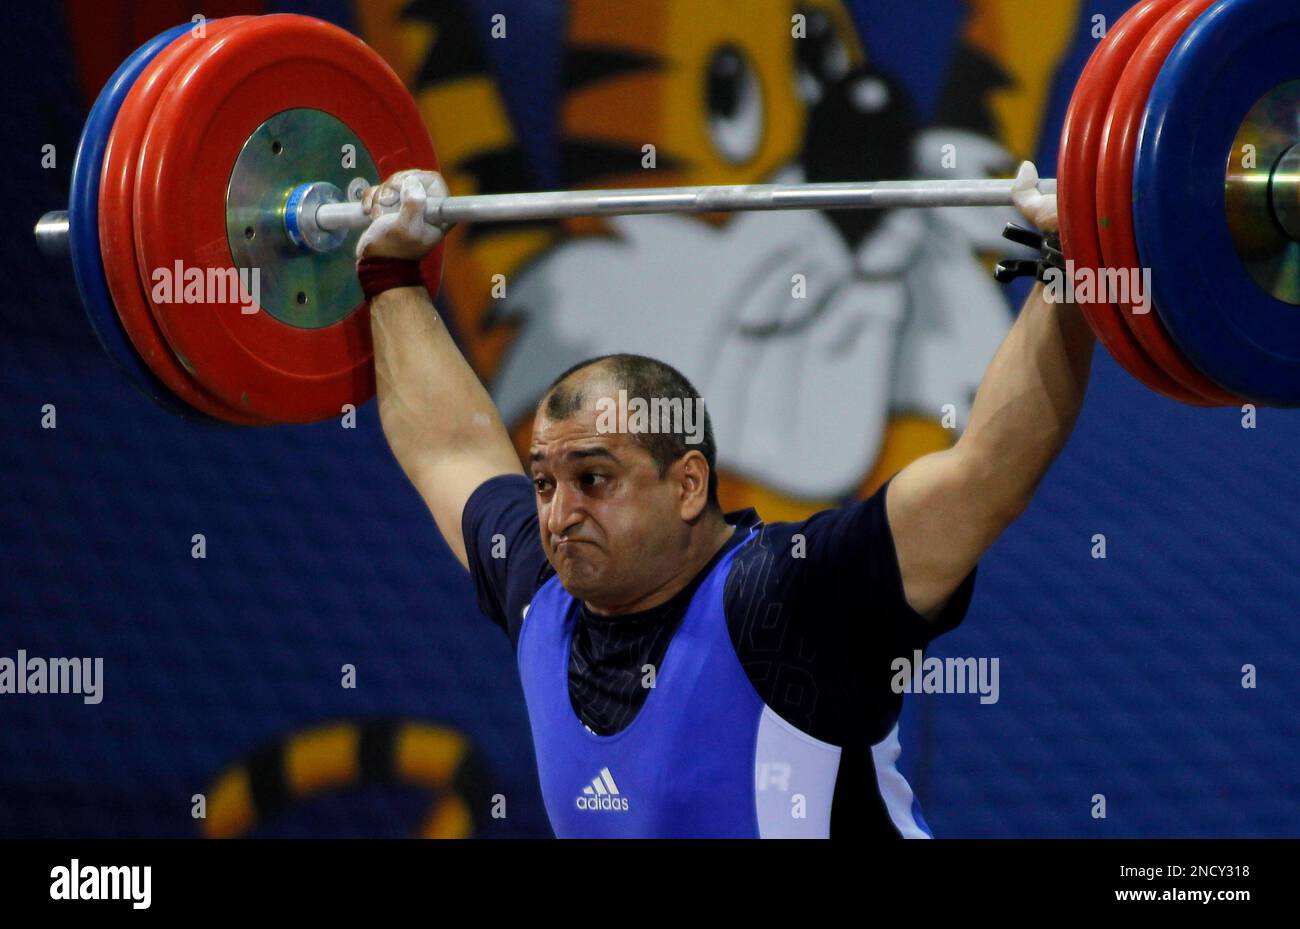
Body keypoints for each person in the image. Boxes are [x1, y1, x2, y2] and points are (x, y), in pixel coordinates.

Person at [354, 163, 1089, 837]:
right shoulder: (541, 592)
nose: (558, 513)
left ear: (687, 484)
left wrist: (1069, 264)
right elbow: (449, 447)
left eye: (594, 478)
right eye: (543, 482)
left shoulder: (789, 598)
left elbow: (987, 473)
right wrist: (389, 272)